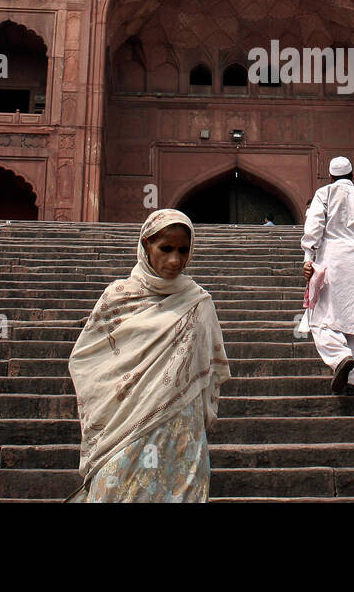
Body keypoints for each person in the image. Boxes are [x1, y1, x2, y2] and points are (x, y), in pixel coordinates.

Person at [67, 208, 231, 501]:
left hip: (180, 428)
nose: (175, 260)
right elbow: (86, 360)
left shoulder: (199, 302)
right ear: (146, 246)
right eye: (165, 248)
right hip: (123, 425)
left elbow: (209, 371)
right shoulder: (118, 296)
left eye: (183, 250)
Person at [299, 156, 354, 395]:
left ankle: (339, 357)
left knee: (320, 318)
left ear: (331, 177)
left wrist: (308, 258)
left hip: (332, 260)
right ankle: (350, 383)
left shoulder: (324, 194)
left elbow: (314, 227)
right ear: (352, 174)